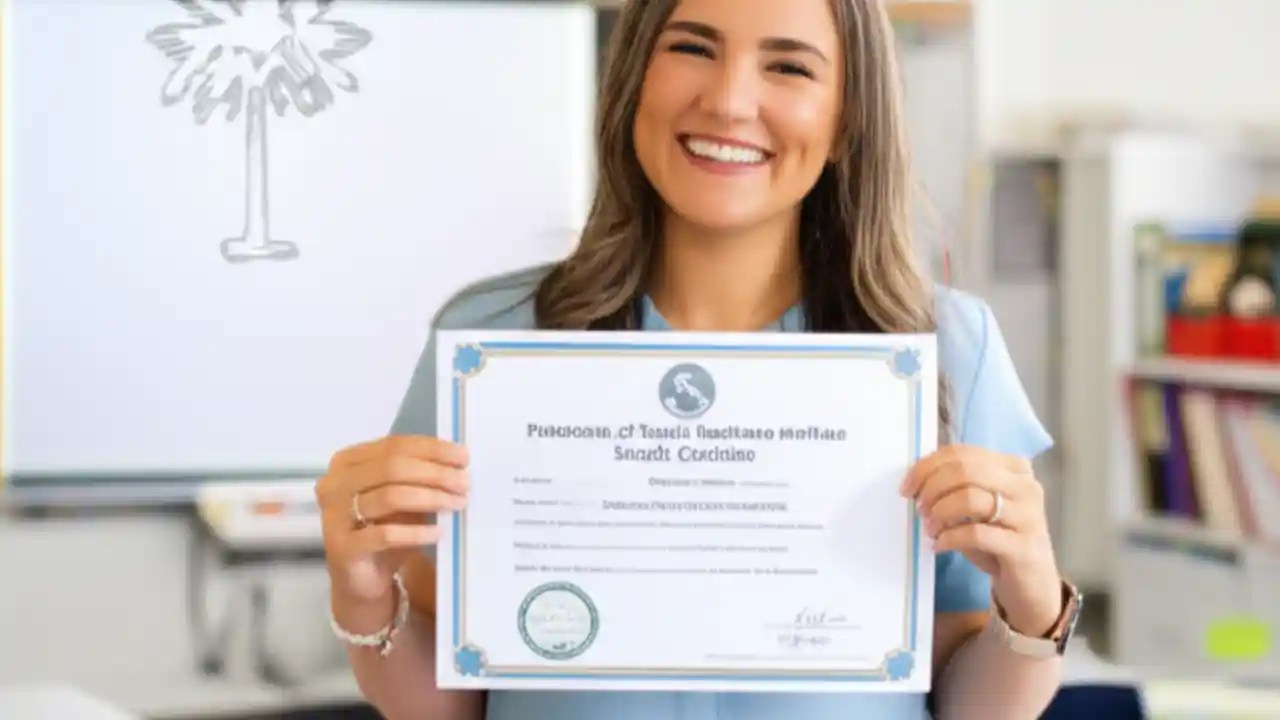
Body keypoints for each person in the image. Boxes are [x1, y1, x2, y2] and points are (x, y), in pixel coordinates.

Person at [316, 0, 1082, 718]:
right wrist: (361, 592)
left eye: (789, 67)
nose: (728, 101)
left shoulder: (947, 350)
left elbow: (967, 703)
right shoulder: (493, 339)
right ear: (634, 79)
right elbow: (444, 703)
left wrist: (1032, 602)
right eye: (691, 47)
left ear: (848, 119)